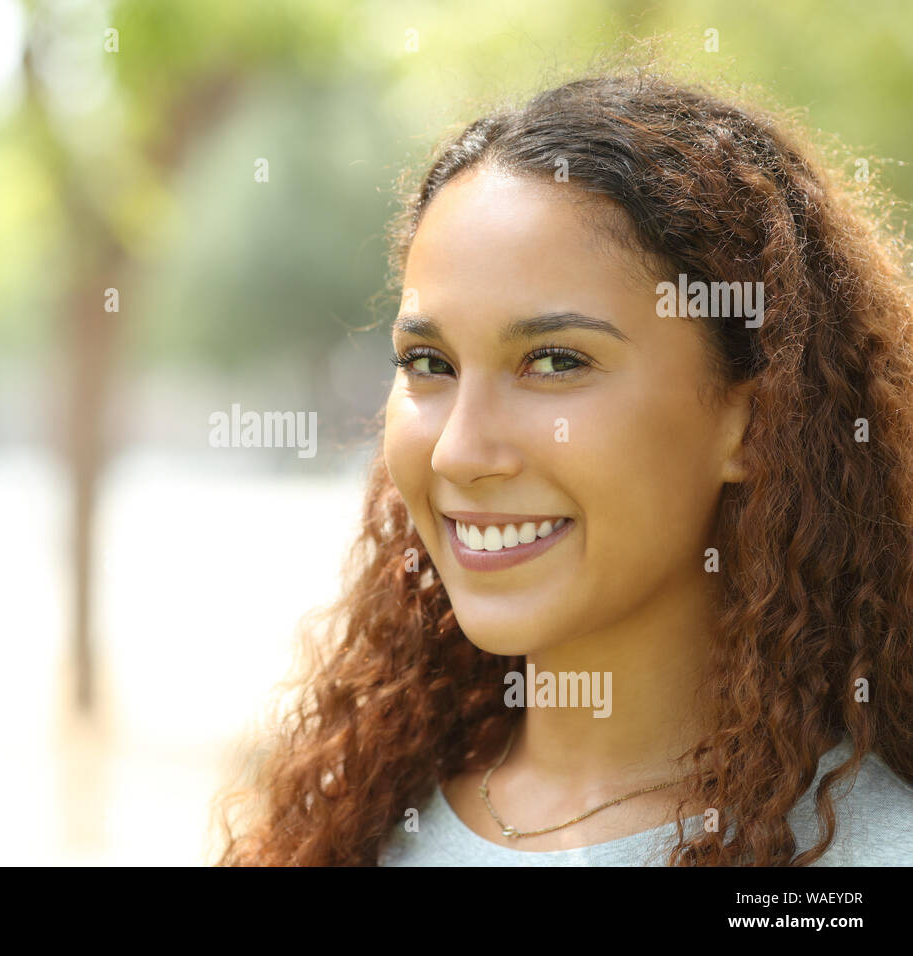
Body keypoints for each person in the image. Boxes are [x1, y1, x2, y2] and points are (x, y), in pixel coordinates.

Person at [211, 69, 913, 866]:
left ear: (751, 423)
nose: (459, 452)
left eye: (553, 361)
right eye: (429, 362)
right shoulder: (343, 824)